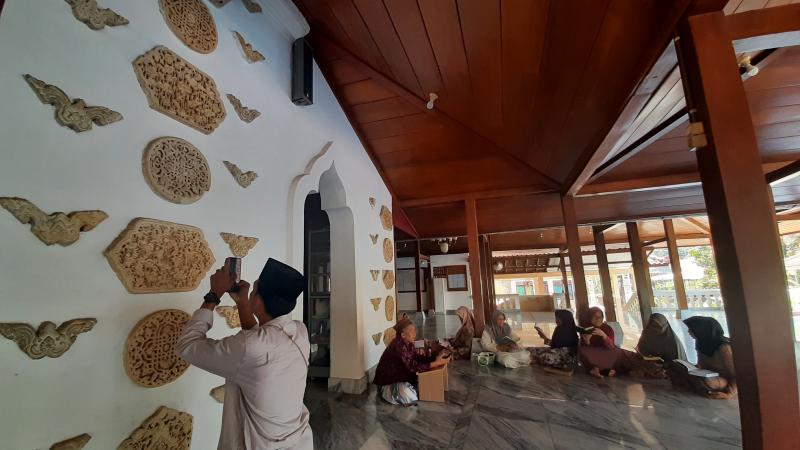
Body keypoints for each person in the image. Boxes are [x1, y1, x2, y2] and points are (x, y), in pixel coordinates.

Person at [176, 258, 313, 450]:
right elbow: (257, 343)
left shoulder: (252, 346)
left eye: (255, 289)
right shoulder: (299, 331)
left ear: (256, 299)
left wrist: (214, 294)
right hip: (297, 441)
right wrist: (242, 302)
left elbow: (187, 346)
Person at [373, 318, 450, 406]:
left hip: (400, 378)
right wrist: (436, 363)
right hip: (387, 384)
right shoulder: (398, 346)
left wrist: (434, 358)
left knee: (418, 385)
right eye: (411, 331)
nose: (415, 333)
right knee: (410, 396)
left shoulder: (409, 343)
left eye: (415, 330)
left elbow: (417, 358)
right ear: (403, 335)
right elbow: (412, 367)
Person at [666, 316, 736, 399]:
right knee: (674, 366)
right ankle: (695, 385)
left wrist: (730, 393)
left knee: (705, 381)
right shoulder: (701, 342)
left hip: (723, 379)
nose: (689, 332)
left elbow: (735, 374)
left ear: (701, 330)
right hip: (706, 373)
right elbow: (700, 365)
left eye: (691, 329)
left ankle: (697, 386)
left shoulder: (724, 347)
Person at [578, 307, 619, 378]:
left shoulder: (608, 328)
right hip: (593, 353)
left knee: (615, 351)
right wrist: (587, 340)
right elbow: (584, 347)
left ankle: (598, 369)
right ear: (590, 318)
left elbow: (611, 346)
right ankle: (603, 370)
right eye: (595, 317)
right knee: (583, 351)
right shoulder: (587, 329)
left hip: (605, 352)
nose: (598, 319)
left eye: (600, 317)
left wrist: (604, 335)